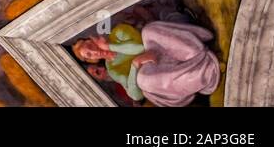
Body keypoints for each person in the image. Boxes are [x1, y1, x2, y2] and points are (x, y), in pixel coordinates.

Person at [73, 21, 222, 106]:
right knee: (143, 80)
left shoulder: (117, 33)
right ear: (91, 60)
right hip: (160, 73)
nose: (94, 52)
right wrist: (136, 64)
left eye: (90, 46)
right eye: (89, 55)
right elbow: (135, 94)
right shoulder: (112, 68)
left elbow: (140, 47)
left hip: (163, 49)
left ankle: (200, 55)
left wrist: (110, 47)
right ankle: (205, 73)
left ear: (92, 40)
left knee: (149, 31)